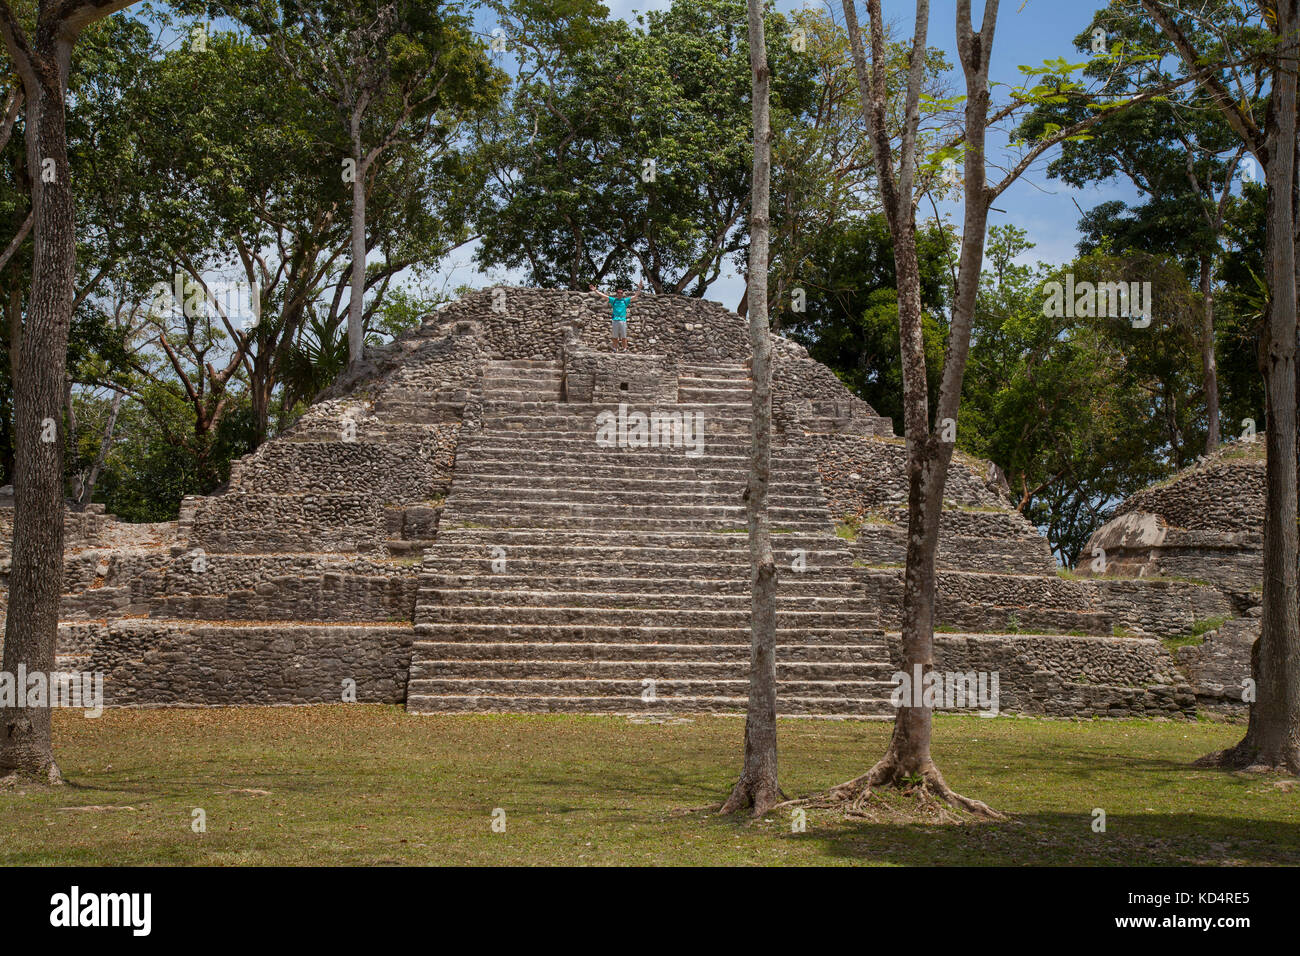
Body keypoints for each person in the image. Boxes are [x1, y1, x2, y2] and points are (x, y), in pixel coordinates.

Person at [589, 281, 643, 351]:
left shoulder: (625, 301)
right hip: (615, 320)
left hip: (623, 320)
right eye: (618, 292)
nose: (620, 294)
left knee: (624, 336)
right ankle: (615, 348)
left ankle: (624, 349)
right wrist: (595, 290)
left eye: (621, 293)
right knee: (615, 336)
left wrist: (639, 288)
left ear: (622, 294)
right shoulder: (613, 300)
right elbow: (603, 296)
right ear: (616, 293)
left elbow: (635, 296)